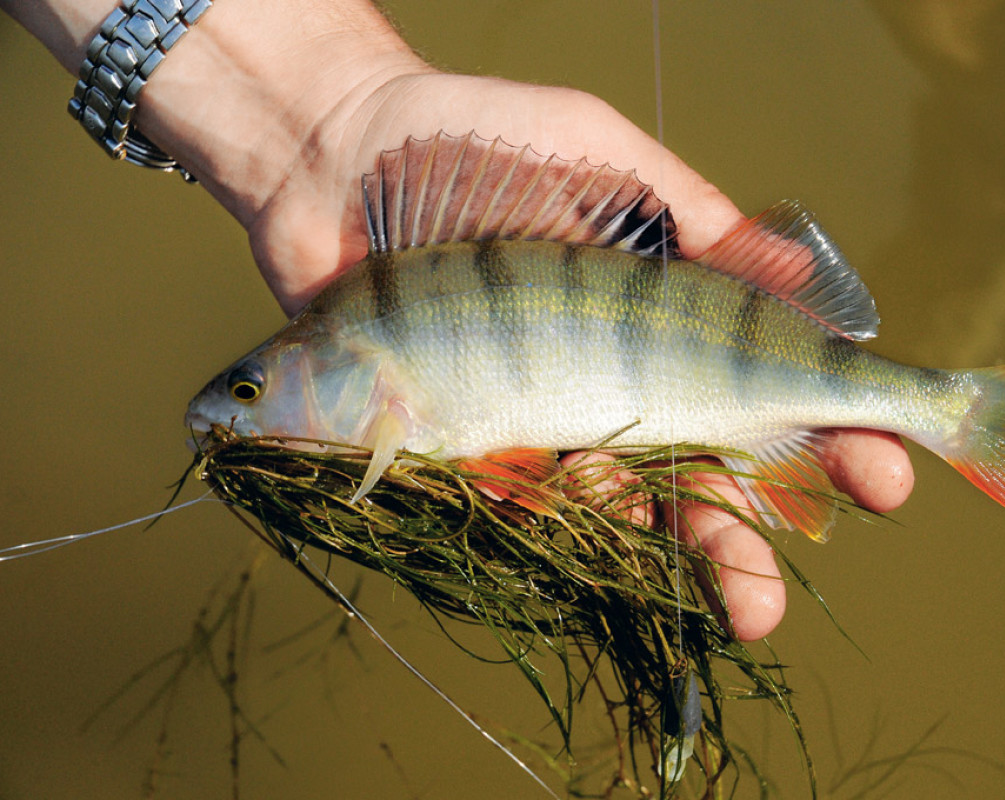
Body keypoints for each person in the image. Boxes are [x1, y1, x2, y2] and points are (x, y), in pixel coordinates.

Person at [2, 0, 913, 641]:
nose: (233, 414)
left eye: (250, 390)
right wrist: (319, 115)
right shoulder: (367, 308)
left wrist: (326, 115)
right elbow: (507, 467)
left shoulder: (368, 327)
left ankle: (941, 407)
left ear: (335, 363)